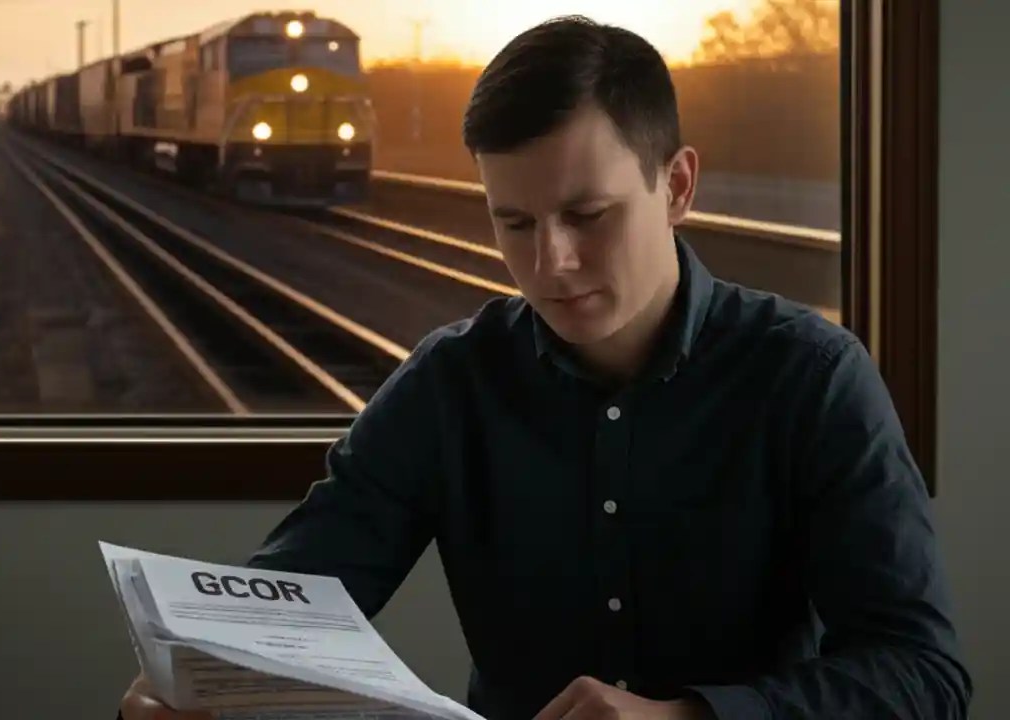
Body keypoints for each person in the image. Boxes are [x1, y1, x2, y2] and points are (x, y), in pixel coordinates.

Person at [120, 14, 971, 720]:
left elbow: (924, 676)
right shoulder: (449, 383)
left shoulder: (814, 378)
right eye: (514, 223)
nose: (550, 262)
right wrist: (196, 675)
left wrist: (686, 718)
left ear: (676, 186)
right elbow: (297, 589)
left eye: (586, 214)